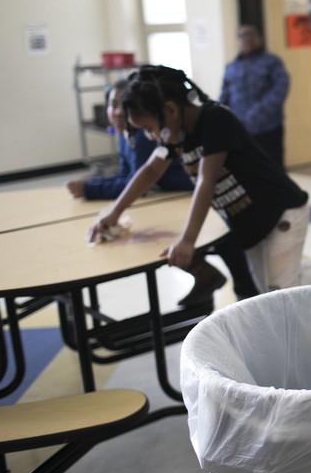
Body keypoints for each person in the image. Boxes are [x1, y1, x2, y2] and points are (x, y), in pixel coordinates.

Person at [89, 65, 311, 295]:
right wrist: (114, 212)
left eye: (148, 129)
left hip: (282, 212)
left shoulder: (214, 120)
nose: (150, 137)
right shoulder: (176, 134)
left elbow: (206, 182)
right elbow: (150, 171)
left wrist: (187, 240)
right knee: (270, 287)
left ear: (171, 111)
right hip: (249, 224)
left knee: (280, 290)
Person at [68, 79, 248, 306]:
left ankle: (233, 287)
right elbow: (134, 173)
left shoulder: (203, 122)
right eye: (112, 105)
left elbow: (200, 180)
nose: (116, 112)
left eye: (121, 106)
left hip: (200, 198)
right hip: (185, 197)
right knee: (185, 239)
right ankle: (213, 282)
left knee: (223, 241)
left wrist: (91, 189)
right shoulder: (134, 135)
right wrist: (108, 201)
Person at [219, 24, 290, 170]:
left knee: (272, 168)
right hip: (239, 128)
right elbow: (224, 95)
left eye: (250, 34)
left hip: (268, 127)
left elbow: (280, 88)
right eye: (241, 36)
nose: (246, 39)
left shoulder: (272, 62)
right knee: (247, 169)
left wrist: (258, 112)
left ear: (259, 38)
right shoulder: (231, 67)